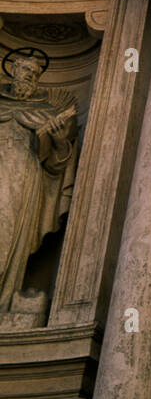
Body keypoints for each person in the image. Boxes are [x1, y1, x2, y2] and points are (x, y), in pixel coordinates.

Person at [0, 48, 77, 312]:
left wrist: (56, 138)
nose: (29, 76)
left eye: (34, 74)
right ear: (13, 71)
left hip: (22, 177)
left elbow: (56, 164)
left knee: (7, 234)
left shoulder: (45, 110)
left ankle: (4, 299)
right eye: (25, 71)